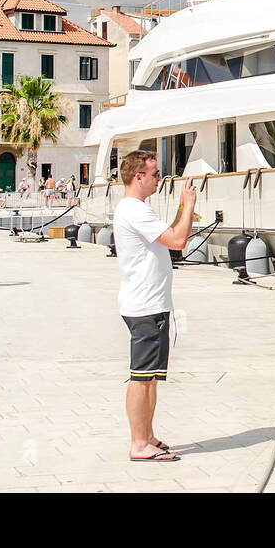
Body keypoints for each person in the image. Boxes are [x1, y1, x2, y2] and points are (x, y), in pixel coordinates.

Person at [114, 149, 196, 463]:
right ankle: (138, 443)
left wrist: (182, 207)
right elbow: (178, 241)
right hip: (145, 305)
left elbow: (170, 235)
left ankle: (147, 435)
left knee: (151, 377)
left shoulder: (137, 209)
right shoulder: (134, 210)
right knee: (141, 376)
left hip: (150, 303)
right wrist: (187, 205)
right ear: (139, 177)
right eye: (154, 174)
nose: (159, 179)